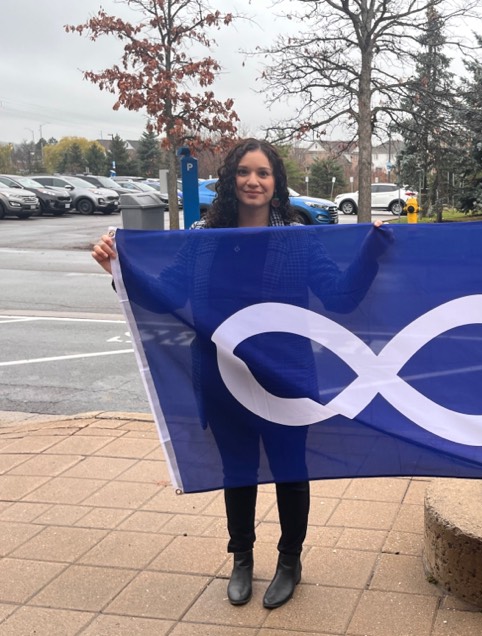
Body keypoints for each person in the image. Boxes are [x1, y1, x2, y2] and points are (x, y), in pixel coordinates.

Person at [91, 138, 386, 610]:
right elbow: (164, 297)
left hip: (284, 375)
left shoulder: (296, 237)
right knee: (238, 471)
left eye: (263, 173)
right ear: (231, 179)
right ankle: (242, 559)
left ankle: (290, 560)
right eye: (244, 172)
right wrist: (117, 270)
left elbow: (341, 297)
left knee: (291, 471)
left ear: (276, 183)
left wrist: (372, 250)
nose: (253, 181)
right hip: (221, 374)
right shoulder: (204, 238)